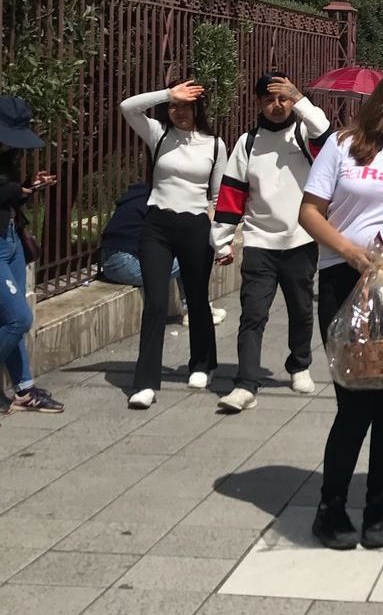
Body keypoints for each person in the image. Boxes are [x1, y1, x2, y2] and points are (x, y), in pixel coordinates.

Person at [298, 64, 383, 550]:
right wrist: (352, 252)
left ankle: (377, 504)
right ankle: (330, 506)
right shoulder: (342, 145)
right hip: (344, 281)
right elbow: (309, 211)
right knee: (354, 403)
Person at [211, 73, 331, 412]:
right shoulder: (247, 143)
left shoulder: (305, 135)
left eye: (283, 98)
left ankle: (300, 364)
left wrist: (299, 96)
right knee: (253, 313)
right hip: (260, 241)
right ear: (258, 103)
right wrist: (221, 241)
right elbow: (232, 194)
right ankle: (246, 383)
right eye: (269, 99)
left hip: (300, 239)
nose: (277, 106)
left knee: (301, 309)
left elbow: (325, 131)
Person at [120, 80, 226, 409]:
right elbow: (127, 107)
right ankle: (145, 382)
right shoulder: (158, 134)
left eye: (185, 106)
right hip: (157, 225)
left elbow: (218, 197)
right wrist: (168, 94)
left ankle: (203, 363)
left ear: (199, 108)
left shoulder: (215, 145)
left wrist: (221, 241)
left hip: (195, 225)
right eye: (174, 106)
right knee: (155, 301)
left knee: (196, 297)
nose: (178, 112)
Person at [0, 96, 64, 415]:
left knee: (10, 317)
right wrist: (17, 192)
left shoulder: (8, 154)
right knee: (19, 318)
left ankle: (24, 389)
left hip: (10, 237)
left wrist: (27, 188)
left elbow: (7, 198)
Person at [100, 182, 228, 326]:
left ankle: (196, 307)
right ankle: (194, 311)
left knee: (184, 252)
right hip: (124, 262)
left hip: (111, 259)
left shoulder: (143, 193)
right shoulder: (163, 202)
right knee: (189, 256)